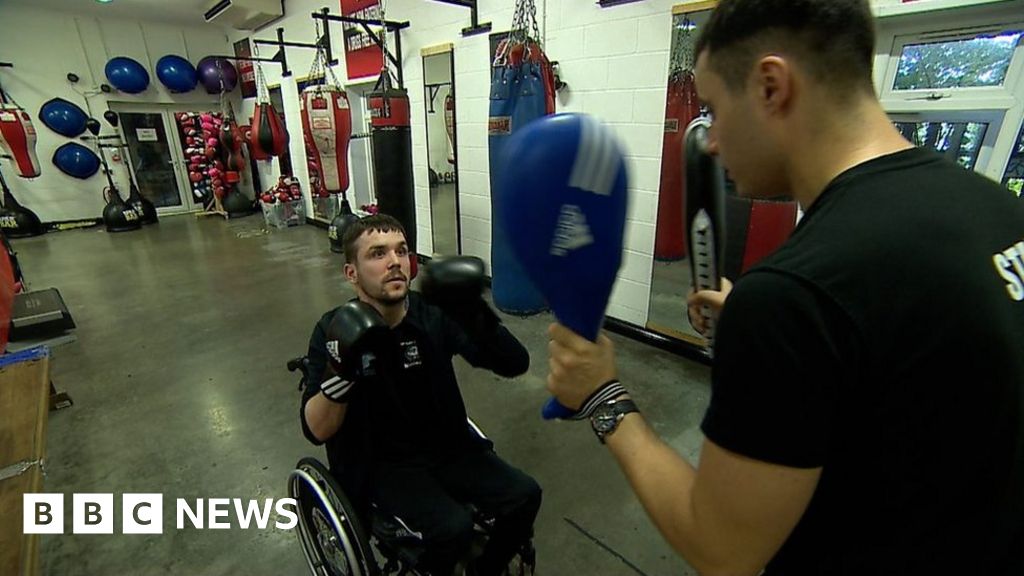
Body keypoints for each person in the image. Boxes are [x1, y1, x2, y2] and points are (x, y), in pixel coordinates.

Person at [544, 0, 1024, 574]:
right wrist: (777, 332)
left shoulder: (796, 293)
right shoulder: (996, 207)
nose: (712, 141)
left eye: (716, 109)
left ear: (772, 86)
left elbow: (723, 549)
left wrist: (603, 396)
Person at [300, 214, 541, 576]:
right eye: (377, 254)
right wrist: (341, 371)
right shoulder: (332, 329)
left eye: (401, 251)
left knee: (526, 494)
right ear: (351, 274)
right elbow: (317, 429)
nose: (395, 262)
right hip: (383, 465)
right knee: (453, 528)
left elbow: (515, 363)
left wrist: (475, 311)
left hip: (449, 447)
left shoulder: (435, 314)